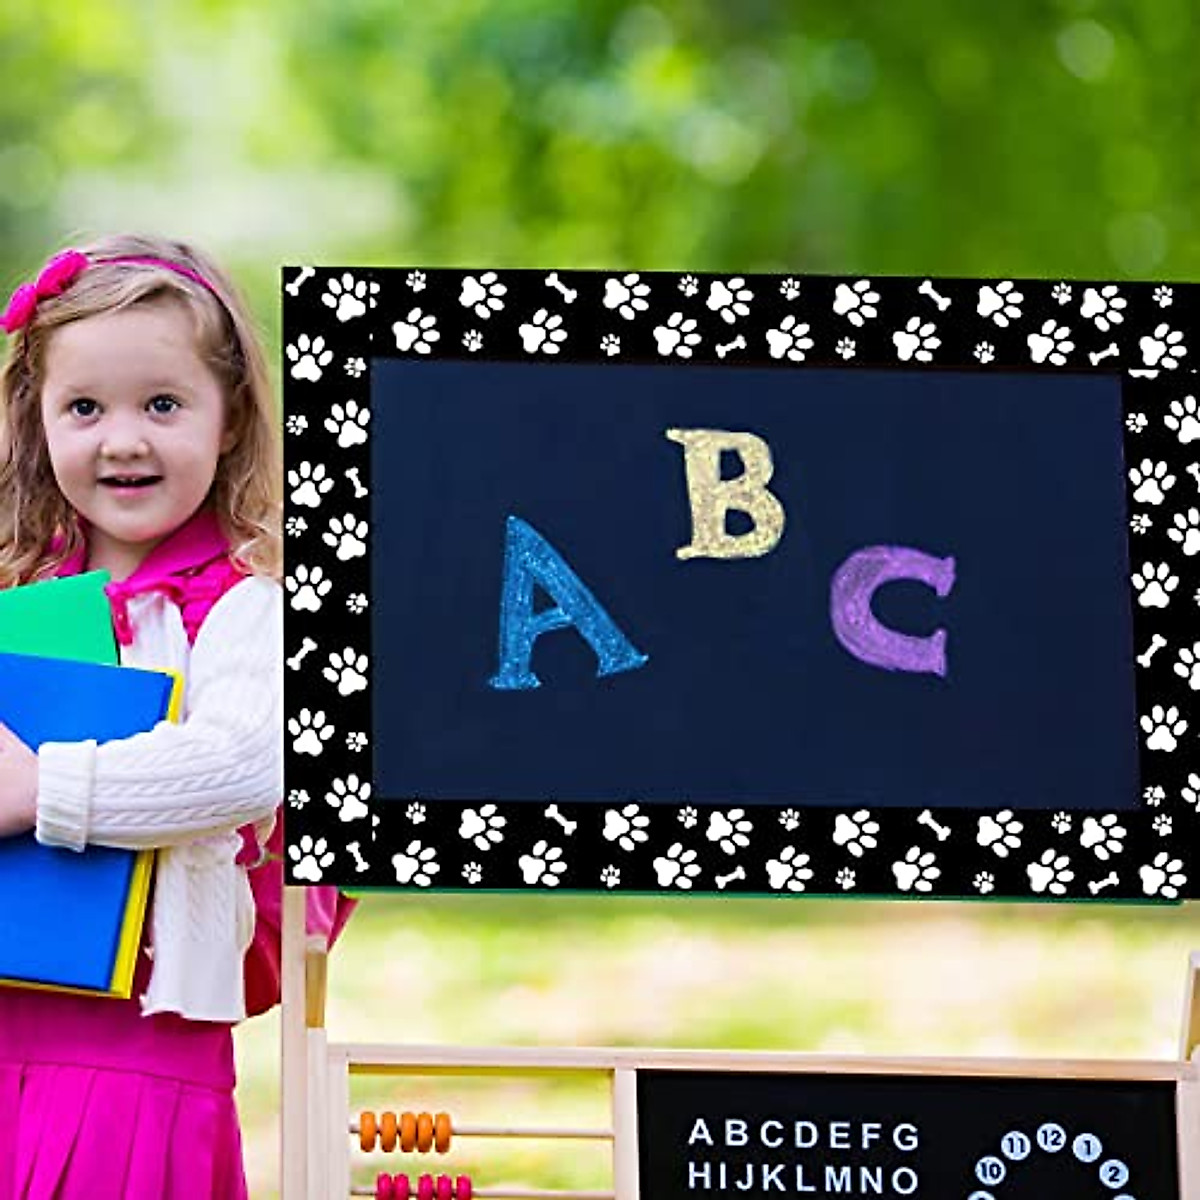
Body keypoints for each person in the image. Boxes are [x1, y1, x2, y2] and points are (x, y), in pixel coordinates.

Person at [0, 235, 349, 1197]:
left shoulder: (248, 604)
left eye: (163, 404)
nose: (123, 439)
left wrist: (41, 789)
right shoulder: (14, 600)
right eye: (84, 407)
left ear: (230, 417)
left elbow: (240, 766)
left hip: (142, 1041)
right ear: (38, 421)